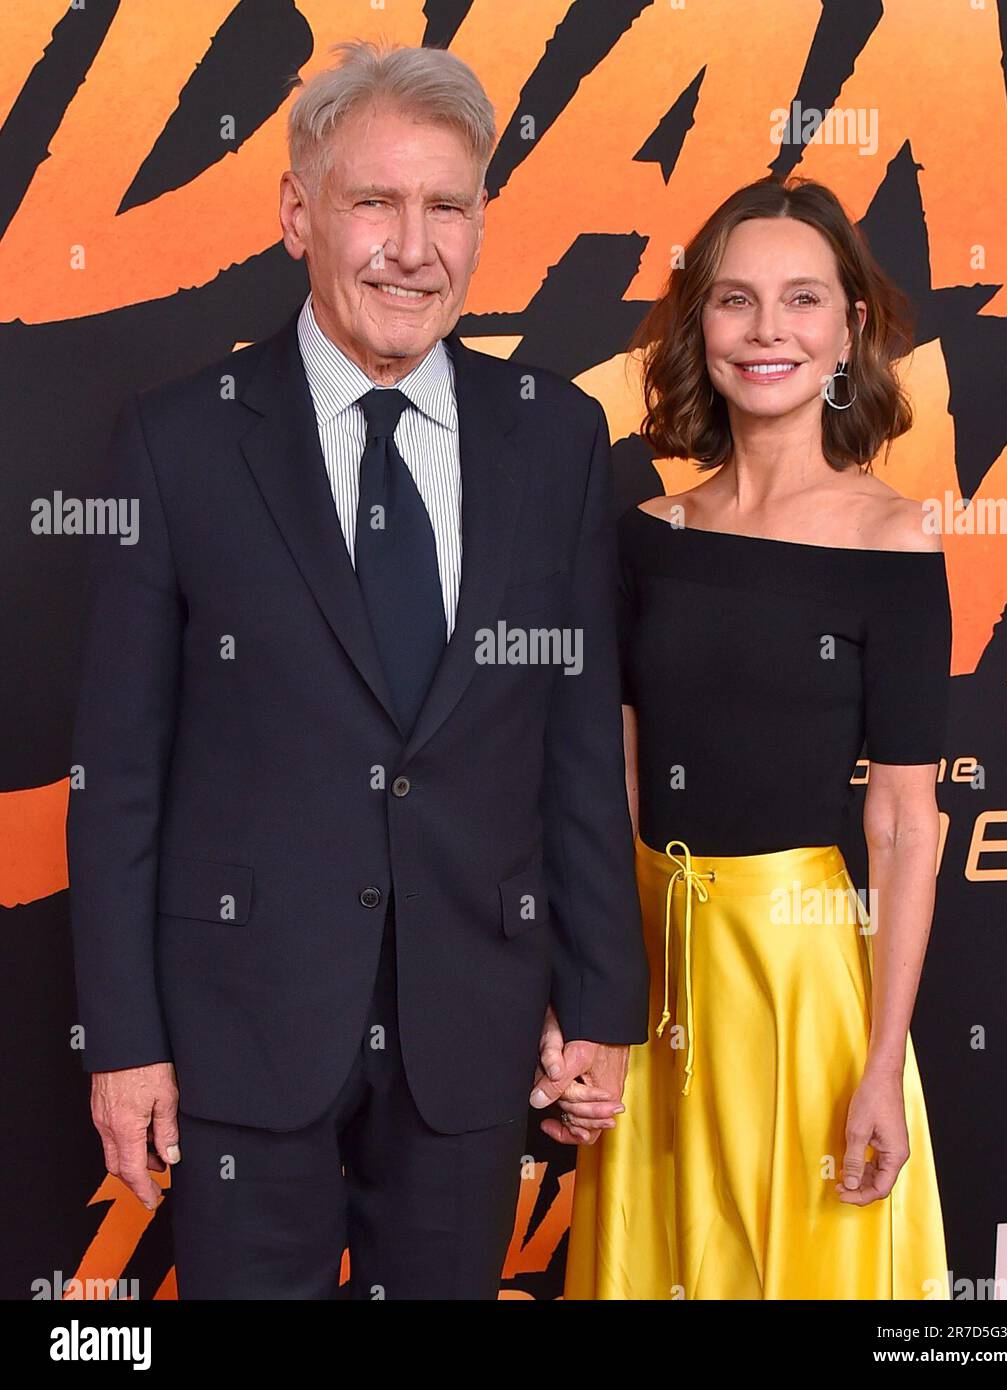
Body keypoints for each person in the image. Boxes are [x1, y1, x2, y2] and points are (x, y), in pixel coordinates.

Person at [67, 39, 649, 1300]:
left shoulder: (556, 439)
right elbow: (115, 775)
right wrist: (122, 1040)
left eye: (447, 206)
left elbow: (572, 743)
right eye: (373, 202)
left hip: (475, 1031)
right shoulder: (177, 440)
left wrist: (602, 998)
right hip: (238, 1026)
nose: (413, 245)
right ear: (297, 215)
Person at [561, 175, 952, 1300]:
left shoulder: (893, 542)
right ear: (697, 326)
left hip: (800, 975)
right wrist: (595, 999)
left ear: (848, 329)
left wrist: (879, 1065)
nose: (766, 330)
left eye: (800, 299)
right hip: (651, 970)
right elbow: (616, 782)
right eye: (734, 300)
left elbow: (902, 821)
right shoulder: (644, 535)